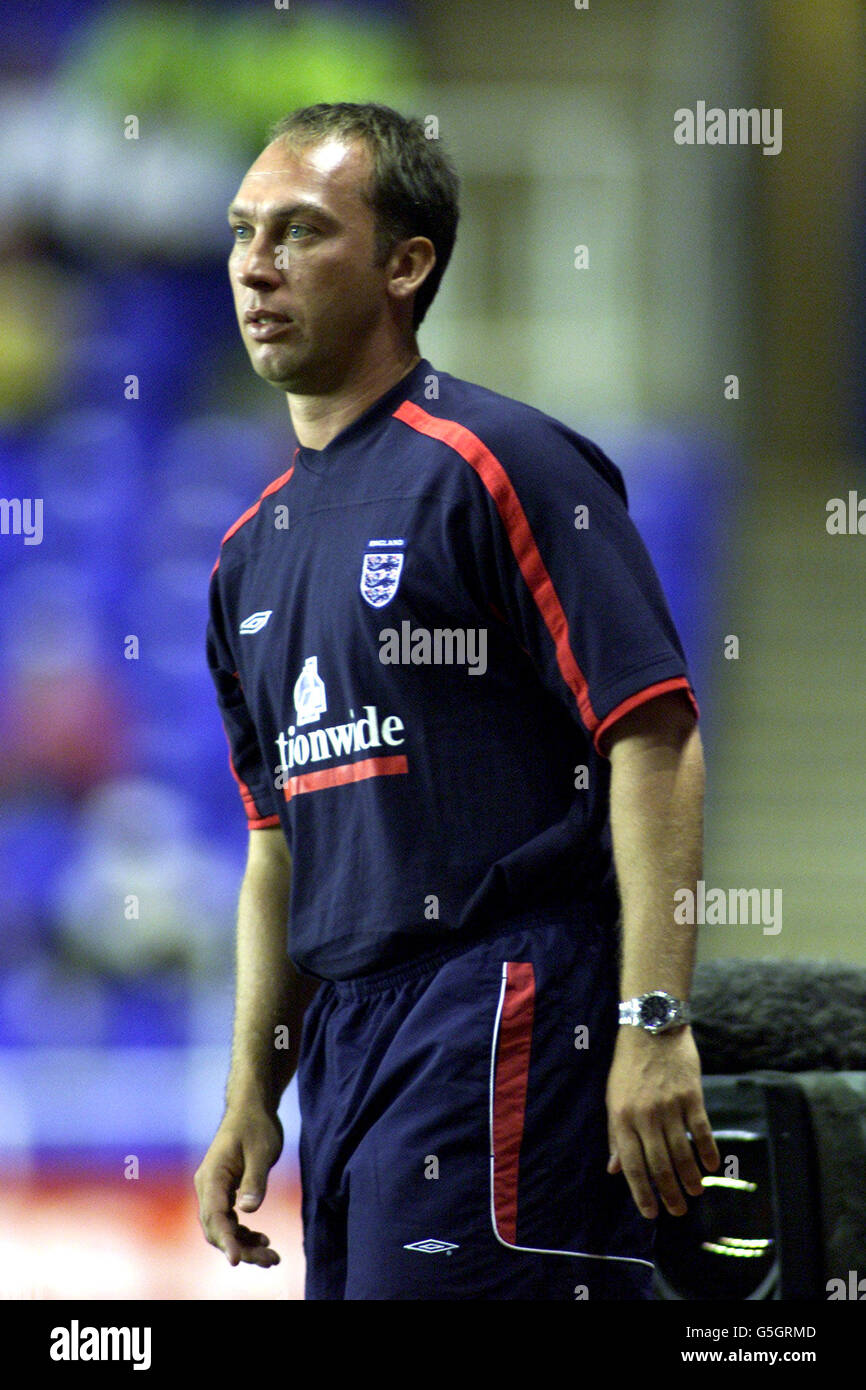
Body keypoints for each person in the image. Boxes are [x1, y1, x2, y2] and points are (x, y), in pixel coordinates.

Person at [194, 101, 720, 1301]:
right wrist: (248, 1098)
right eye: (241, 232)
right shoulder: (244, 558)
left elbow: (651, 733)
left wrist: (651, 1019)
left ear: (404, 262)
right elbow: (277, 848)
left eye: (298, 231)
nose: (254, 265)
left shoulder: (504, 462)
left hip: (502, 1010)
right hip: (345, 1048)